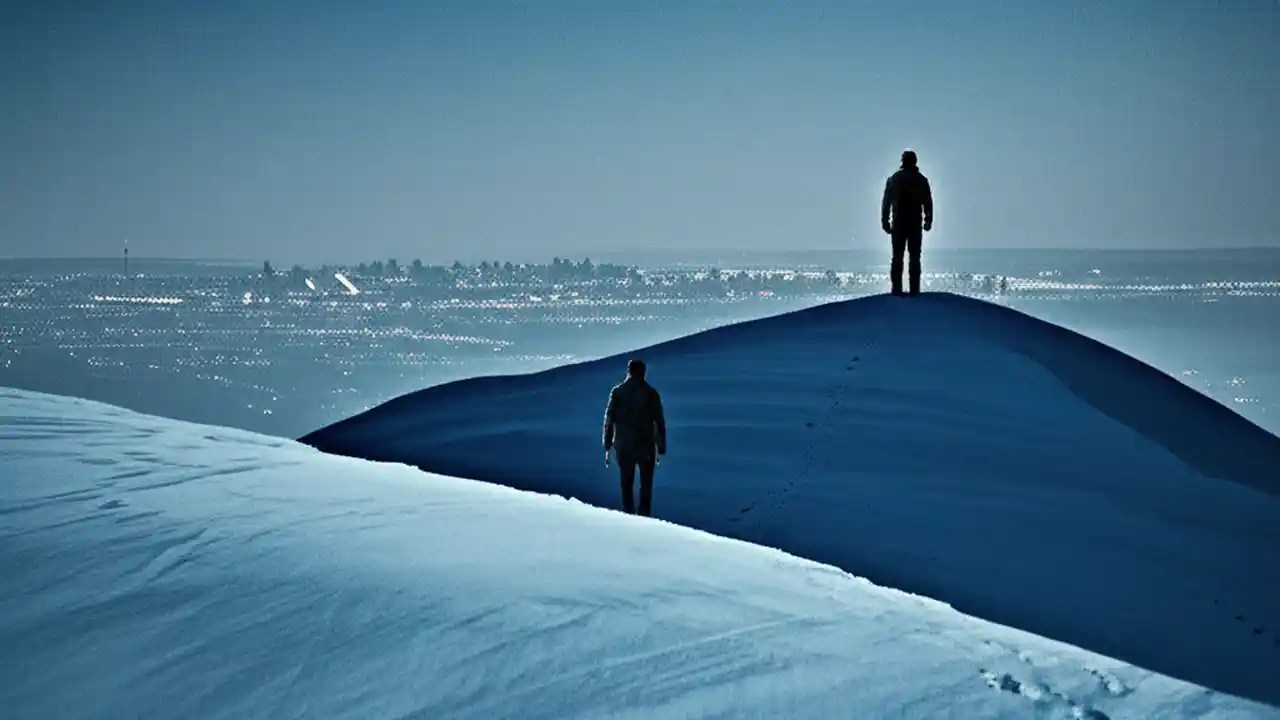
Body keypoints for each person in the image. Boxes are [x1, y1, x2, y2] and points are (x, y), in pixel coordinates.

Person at [602, 359, 667, 516]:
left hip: (624, 445)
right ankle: (644, 516)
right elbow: (659, 421)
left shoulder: (617, 392)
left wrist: (607, 442)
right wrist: (661, 445)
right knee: (646, 484)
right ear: (643, 372)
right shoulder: (651, 393)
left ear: (629, 371)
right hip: (646, 445)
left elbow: (609, 419)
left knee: (626, 482)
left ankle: (628, 515)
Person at [880, 149, 934, 296]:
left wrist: (885, 220)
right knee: (914, 257)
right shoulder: (920, 180)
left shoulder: (895, 179)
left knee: (898, 256)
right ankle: (914, 290)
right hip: (914, 224)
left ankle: (897, 289)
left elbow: (886, 202)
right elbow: (928, 203)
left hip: (899, 223)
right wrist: (928, 219)